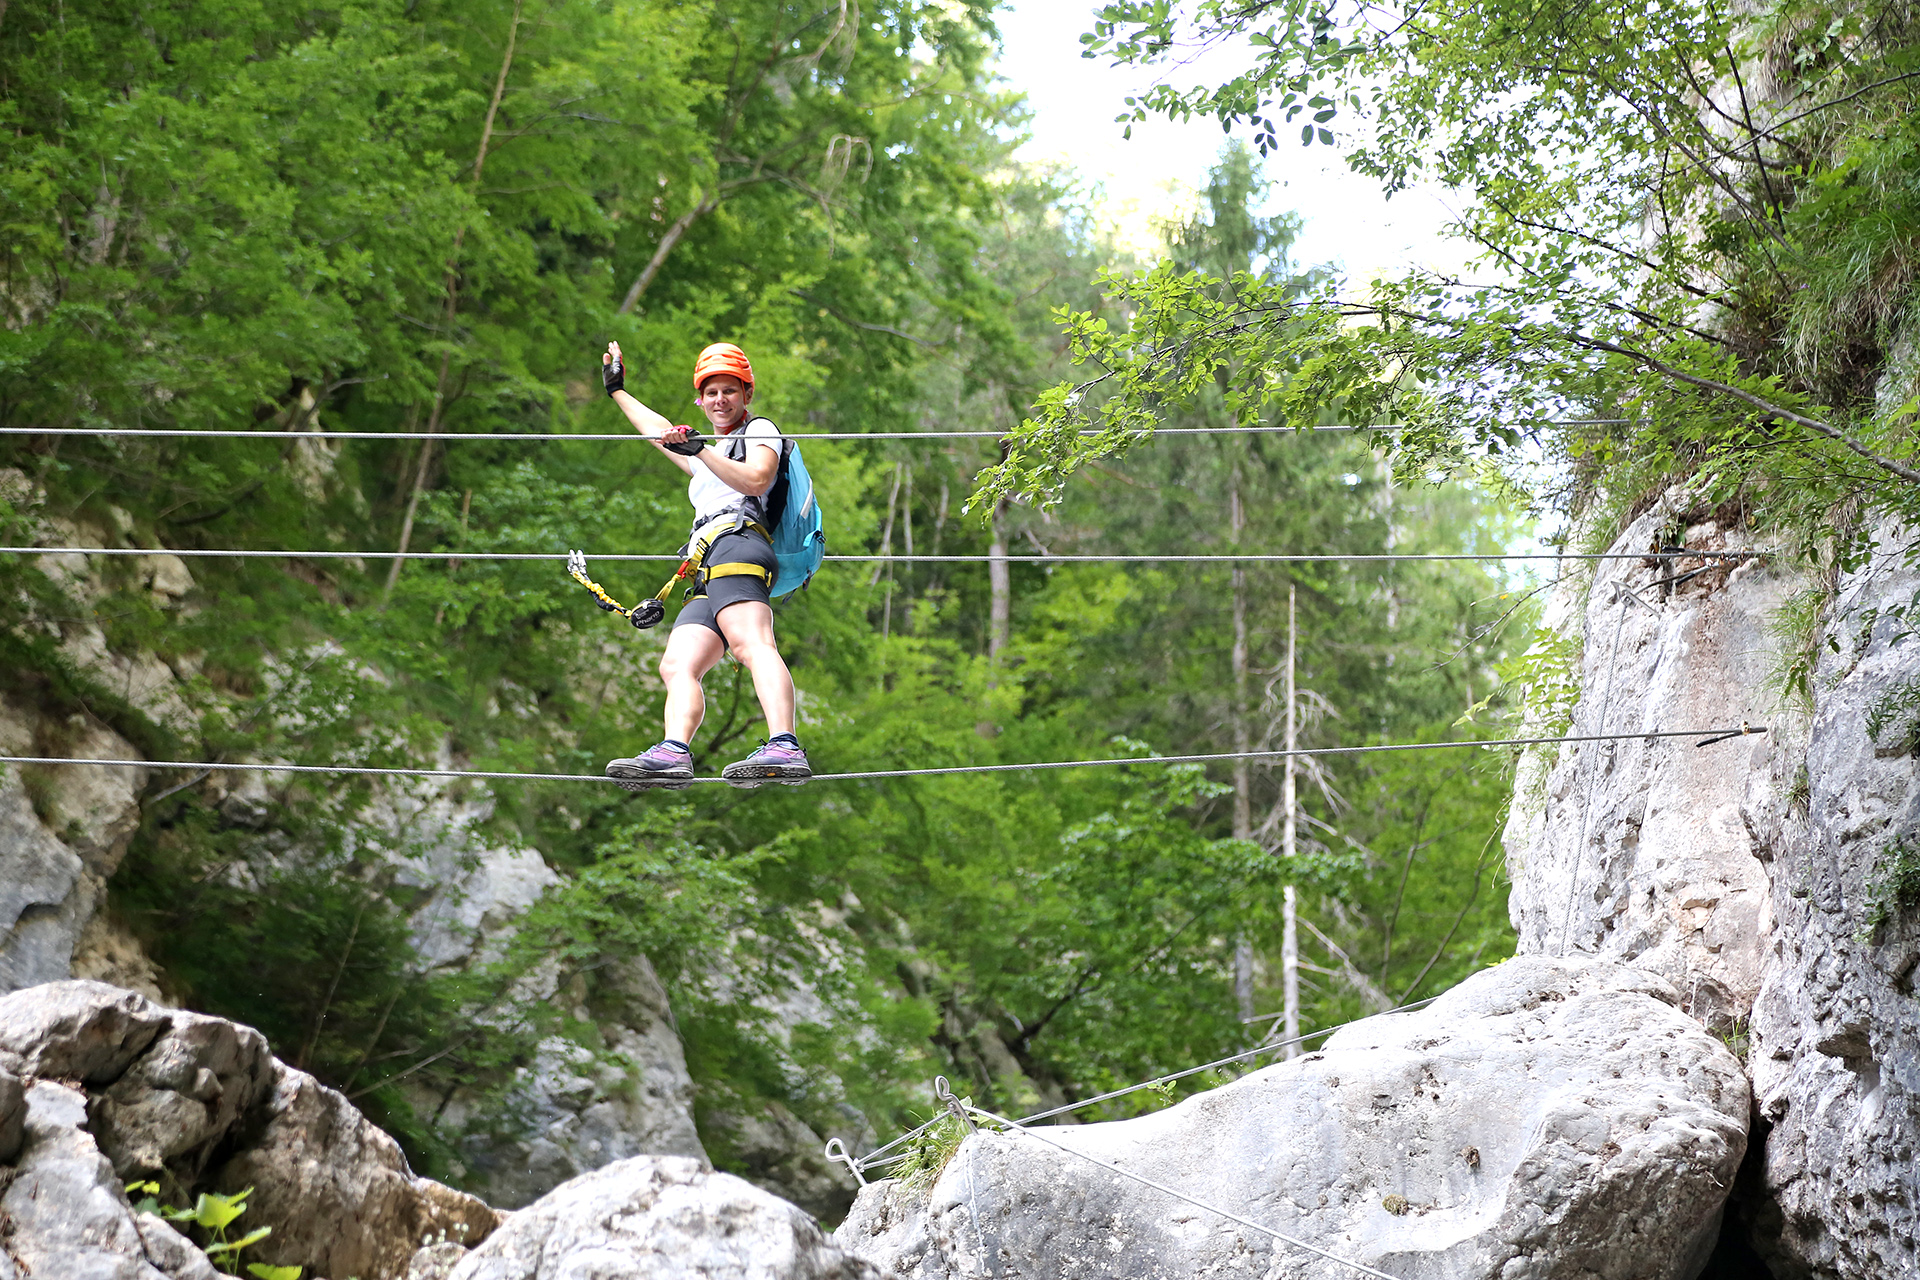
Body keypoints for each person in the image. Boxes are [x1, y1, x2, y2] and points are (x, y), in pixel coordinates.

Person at [598, 339, 811, 788]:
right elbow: (657, 430)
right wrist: (617, 390)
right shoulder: (707, 455)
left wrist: (700, 450)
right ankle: (674, 751)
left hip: (741, 544)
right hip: (707, 564)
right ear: (700, 398)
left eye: (729, 390)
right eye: (710, 392)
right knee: (677, 664)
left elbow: (756, 480)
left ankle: (785, 743)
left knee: (752, 643)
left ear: (746, 394)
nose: (719, 400)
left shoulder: (759, 431)